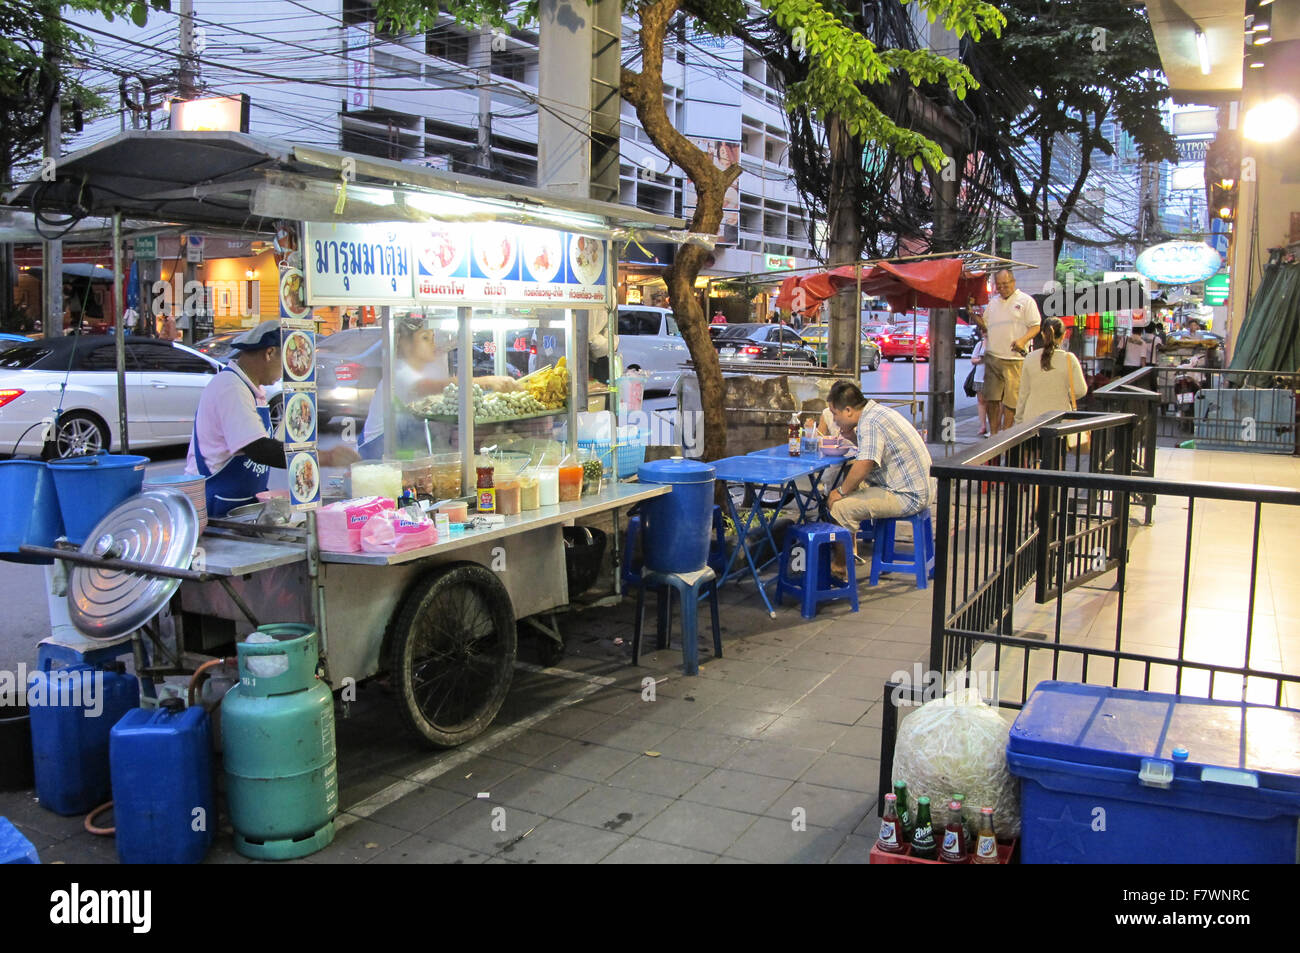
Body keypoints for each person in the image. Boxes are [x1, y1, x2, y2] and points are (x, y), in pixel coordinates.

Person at [187, 320, 358, 517]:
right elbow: (259, 449)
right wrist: (325, 457)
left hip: (239, 500)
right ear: (270, 353)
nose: (287, 372)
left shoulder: (252, 390)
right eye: (288, 362)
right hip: (215, 505)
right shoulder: (231, 388)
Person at [359, 312, 517, 459]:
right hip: (379, 450)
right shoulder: (400, 372)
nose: (432, 344)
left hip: (405, 450)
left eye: (433, 338)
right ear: (406, 344)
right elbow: (436, 386)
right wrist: (488, 382)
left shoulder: (424, 370)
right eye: (425, 338)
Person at [824, 380, 933, 579]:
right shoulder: (876, 413)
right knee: (851, 487)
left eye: (835, 414)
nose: (834, 420)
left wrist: (839, 492)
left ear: (848, 410)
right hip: (915, 487)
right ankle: (848, 554)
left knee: (840, 506)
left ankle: (839, 569)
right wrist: (851, 436)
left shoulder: (870, 423)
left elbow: (865, 463)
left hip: (907, 495)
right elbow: (871, 452)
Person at [975, 268, 1041, 435]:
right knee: (991, 398)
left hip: (1015, 359)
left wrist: (1022, 340)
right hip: (993, 357)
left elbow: (1035, 326)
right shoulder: (993, 302)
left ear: (1013, 282)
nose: (1002, 288)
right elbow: (985, 325)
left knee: (1011, 400)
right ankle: (994, 433)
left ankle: (1006, 433)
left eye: (1005, 284)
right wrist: (973, 314)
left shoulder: (1026, 301)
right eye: (999, 285)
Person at [1015, 316, 1088, 425]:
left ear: (1043, 334)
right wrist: (1064, 394)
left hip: (1031, 421)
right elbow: (1081, 390)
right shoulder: (1069, 359)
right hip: (1060, 420)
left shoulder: (1030, 358)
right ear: (1064, 335)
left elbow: (1023, 394)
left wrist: (1019, 420)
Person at [970, 326, 989, 436]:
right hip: (979, 377)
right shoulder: (980, 344)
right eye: (982, 330)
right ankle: (983, 426)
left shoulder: (996, 343)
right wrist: (981, 360)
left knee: (992, 402)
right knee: (981, 401)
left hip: (992, 377)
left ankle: (994, 426)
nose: (984, 332)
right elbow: (973, 359)